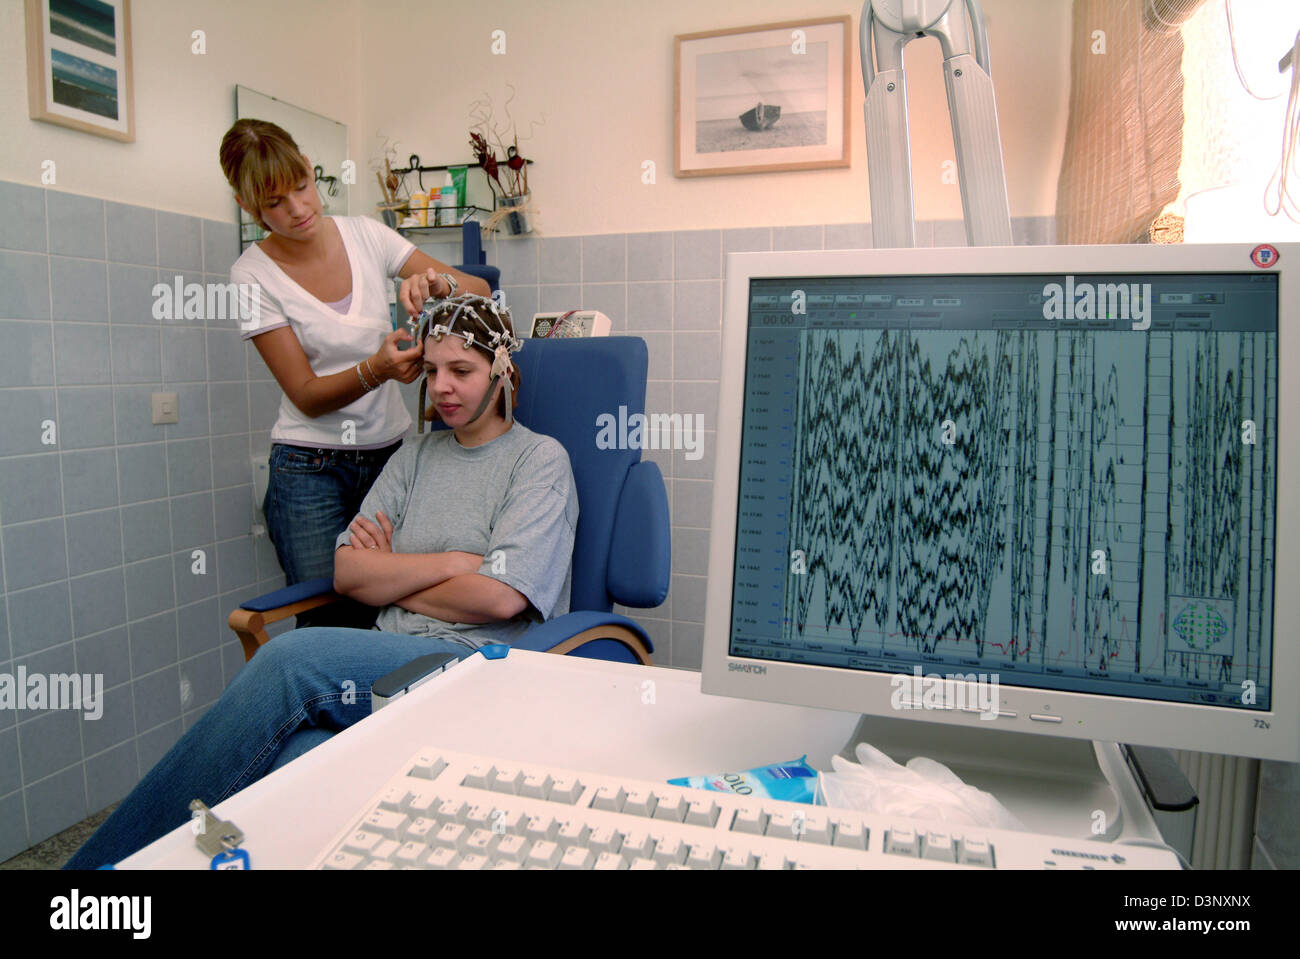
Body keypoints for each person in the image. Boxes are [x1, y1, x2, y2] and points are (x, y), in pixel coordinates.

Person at [64, 296, 578, 869]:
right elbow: (348, 571)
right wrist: (455, 562)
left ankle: (87, 880)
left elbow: (500, 596)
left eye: (462, 371)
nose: (442, 389)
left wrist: (390, 578)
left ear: (502, 370)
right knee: (297, 757)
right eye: (431, 371)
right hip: (388, 665)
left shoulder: (538, 461)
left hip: (472, 666)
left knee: (292, 660)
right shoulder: (415, 455)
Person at [222, 118, 491, 627]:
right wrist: (378, 369)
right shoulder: (251, 274)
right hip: (308, 473)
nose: (298, 209)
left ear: (309, 169)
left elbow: (476, 288)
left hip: (391, 461)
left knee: (391, 615)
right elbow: (305, 395)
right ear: (248, 207)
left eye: (301, 187)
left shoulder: (366, 235)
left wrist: (435, 286)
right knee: (331, 623)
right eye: (275, 203)